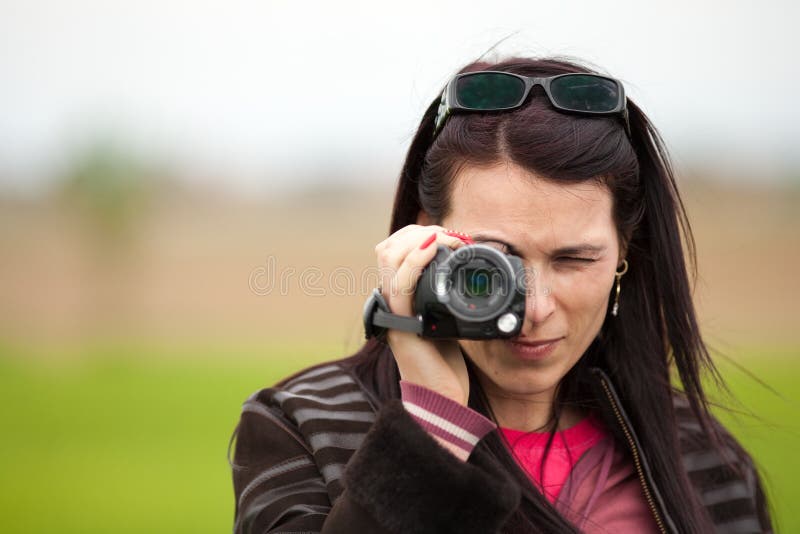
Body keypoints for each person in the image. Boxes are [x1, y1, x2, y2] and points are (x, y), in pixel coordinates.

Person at [229, 57, 772, 533]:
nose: (535, 308)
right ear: (424, 242)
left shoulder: (706, 466)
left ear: (625, 255)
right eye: (494, 263)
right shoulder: (303, 428)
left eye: (574, 259)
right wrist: (431, 425)